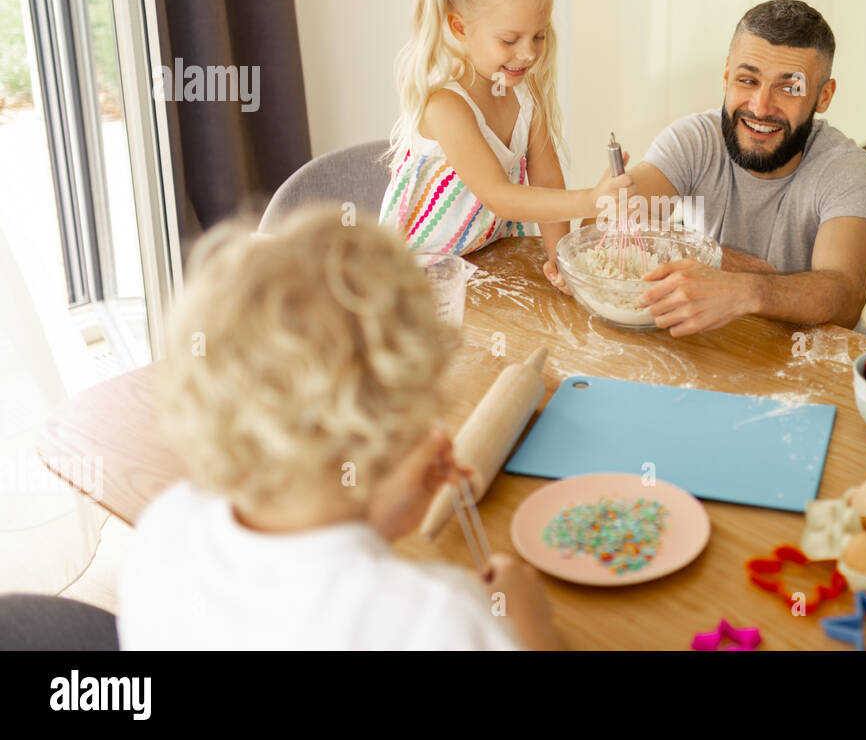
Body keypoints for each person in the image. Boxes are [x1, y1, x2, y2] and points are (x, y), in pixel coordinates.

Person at [117, 207, 562, 649]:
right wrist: (528, 625)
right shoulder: (436, 620)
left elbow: (313, 574)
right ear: (397, 416)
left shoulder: (164, 527)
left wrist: (378, 521)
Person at [380, 0, 633, 288]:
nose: (528, 54)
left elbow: (547, 181)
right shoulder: (446, 107)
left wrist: (559, 259)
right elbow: (499, 196)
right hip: (413, 280)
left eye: (539, 36)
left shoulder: (527, 96)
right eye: (510, 40)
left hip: (485, 263)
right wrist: (590, 200)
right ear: (460, 28)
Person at [625, 0, 866, 336]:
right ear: (727, 76)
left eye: (789, 88)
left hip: (808, 360)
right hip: (712, 344)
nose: (761, 107)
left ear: (824, 95)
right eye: (747, 81)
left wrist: (747, 291)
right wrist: (719, 259)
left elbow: (846, 297)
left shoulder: (847, 168)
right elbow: (608, 222)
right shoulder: (692, 140)